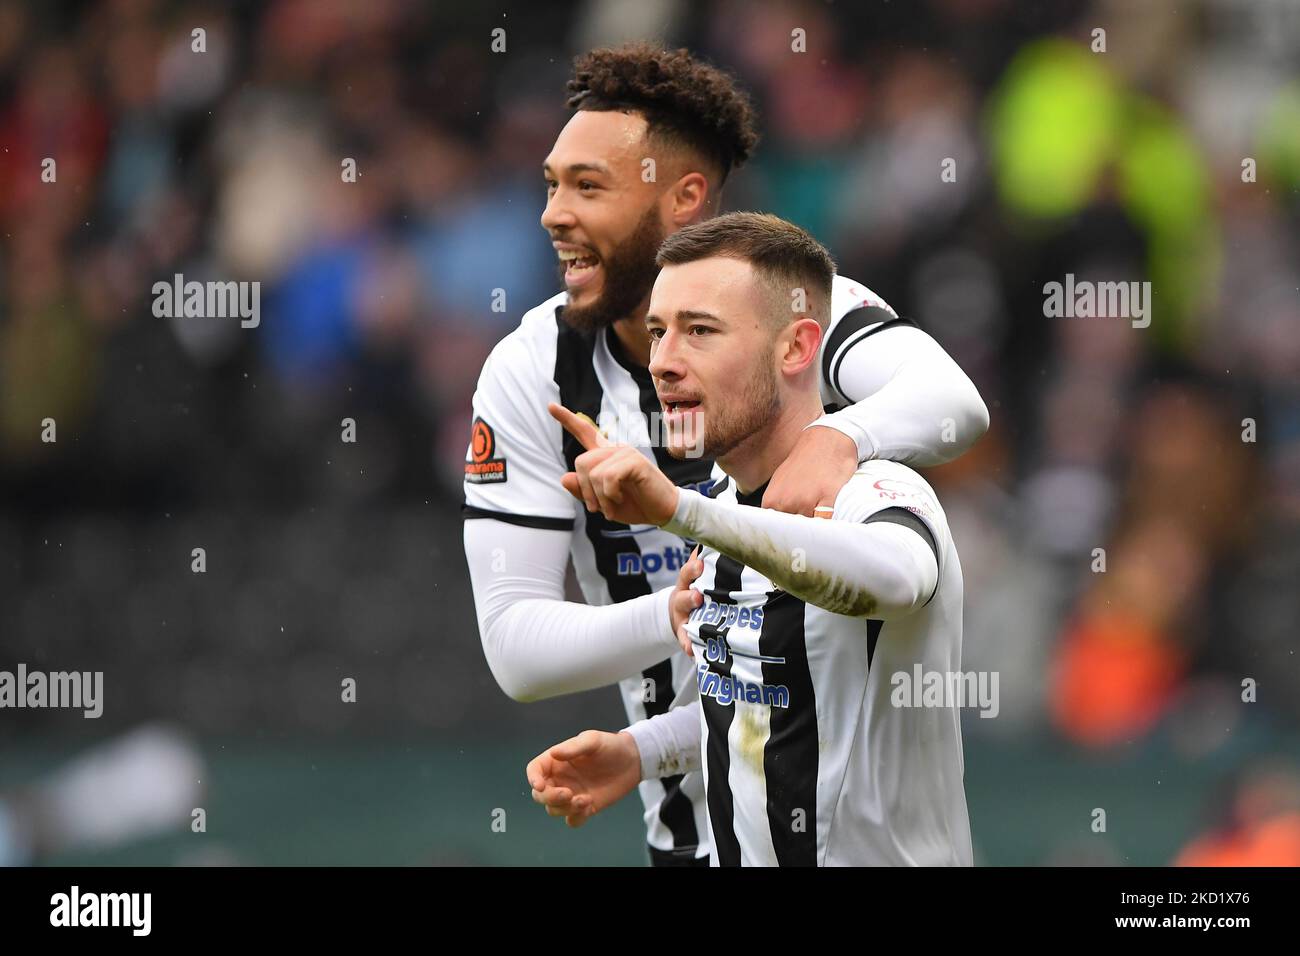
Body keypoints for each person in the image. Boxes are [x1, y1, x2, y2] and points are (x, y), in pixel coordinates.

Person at [463, 43, 986, 867]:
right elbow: (518, 651)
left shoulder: (807, 316)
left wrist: (836, 437)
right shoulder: (533, 371)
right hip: (689, 818)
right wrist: (672, 631)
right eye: (551, 184)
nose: (552, 213)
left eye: (587, 185)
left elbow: (954, 408)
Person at [527, 213, 973, 866]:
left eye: (700, 332)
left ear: (795, 349)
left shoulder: (878, 492)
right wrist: (640, 752)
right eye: (658, 333)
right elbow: (758, 705)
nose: (665, 363)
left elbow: (898, 580)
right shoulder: (722, 509)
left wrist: (679, 511)